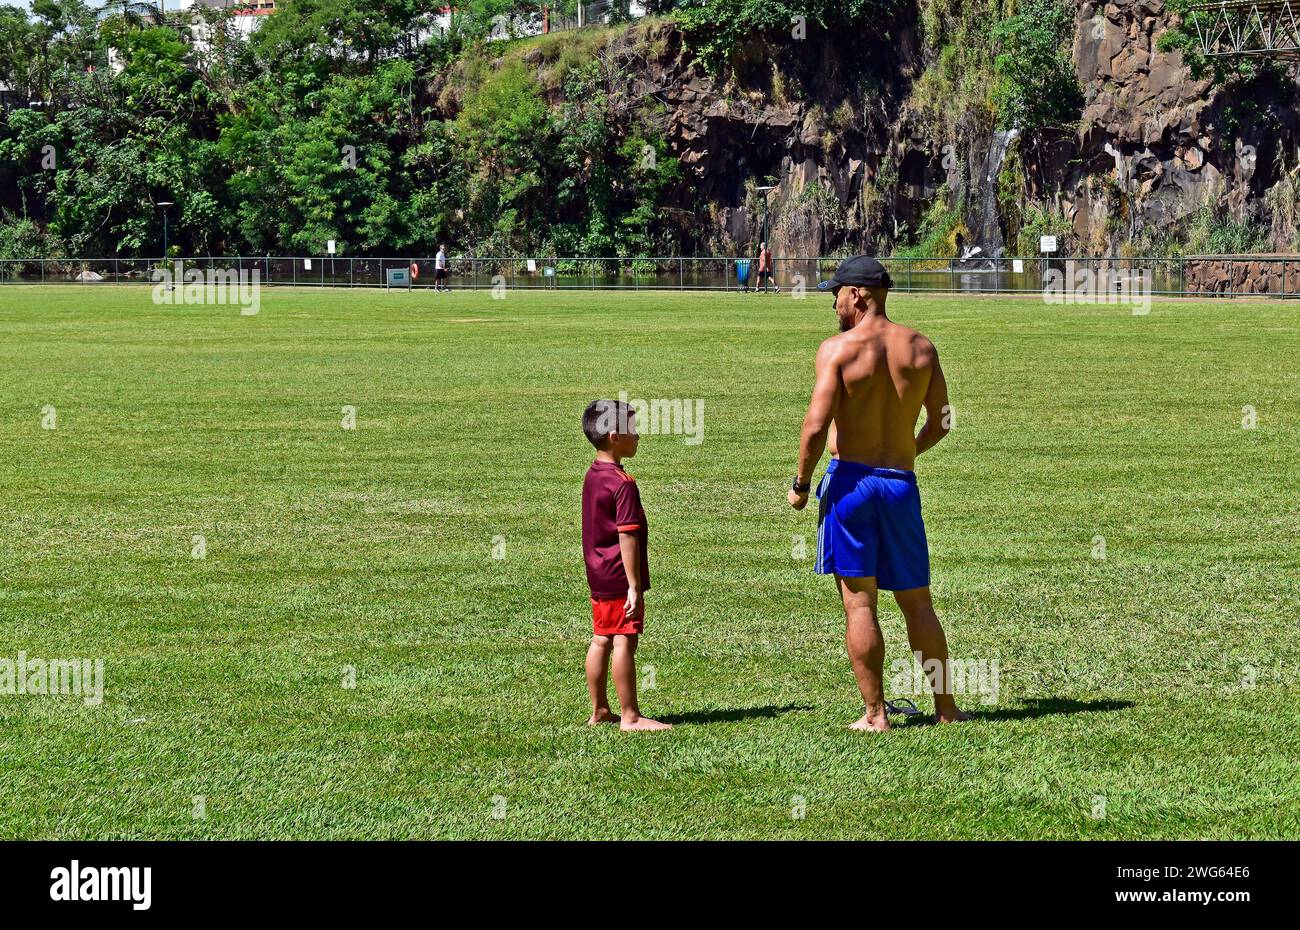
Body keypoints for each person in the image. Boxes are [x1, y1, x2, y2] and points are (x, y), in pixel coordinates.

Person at [787, 255, 971, 732]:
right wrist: (905, 452)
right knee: (918, 603)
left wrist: (801, 486)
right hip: (899, 485)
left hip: (849, 484)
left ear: (858, 296)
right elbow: (943, 422)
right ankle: (946, 709)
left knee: (860, 603)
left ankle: (875, 715)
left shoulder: (838, 350)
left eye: (837, 296)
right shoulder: (922, 347)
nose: (834, 306)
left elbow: (813, 428)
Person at [580, 400, 671, 732]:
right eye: (633, 429)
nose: (638, 435)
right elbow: (627, 536)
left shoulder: (593, 474)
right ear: (615, 436)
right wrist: (633, 585)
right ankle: (630, 716)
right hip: (619, 575)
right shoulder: (623, 483)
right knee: (624, 640)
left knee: (601, 638)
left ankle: (599, 710)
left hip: (598, 572)